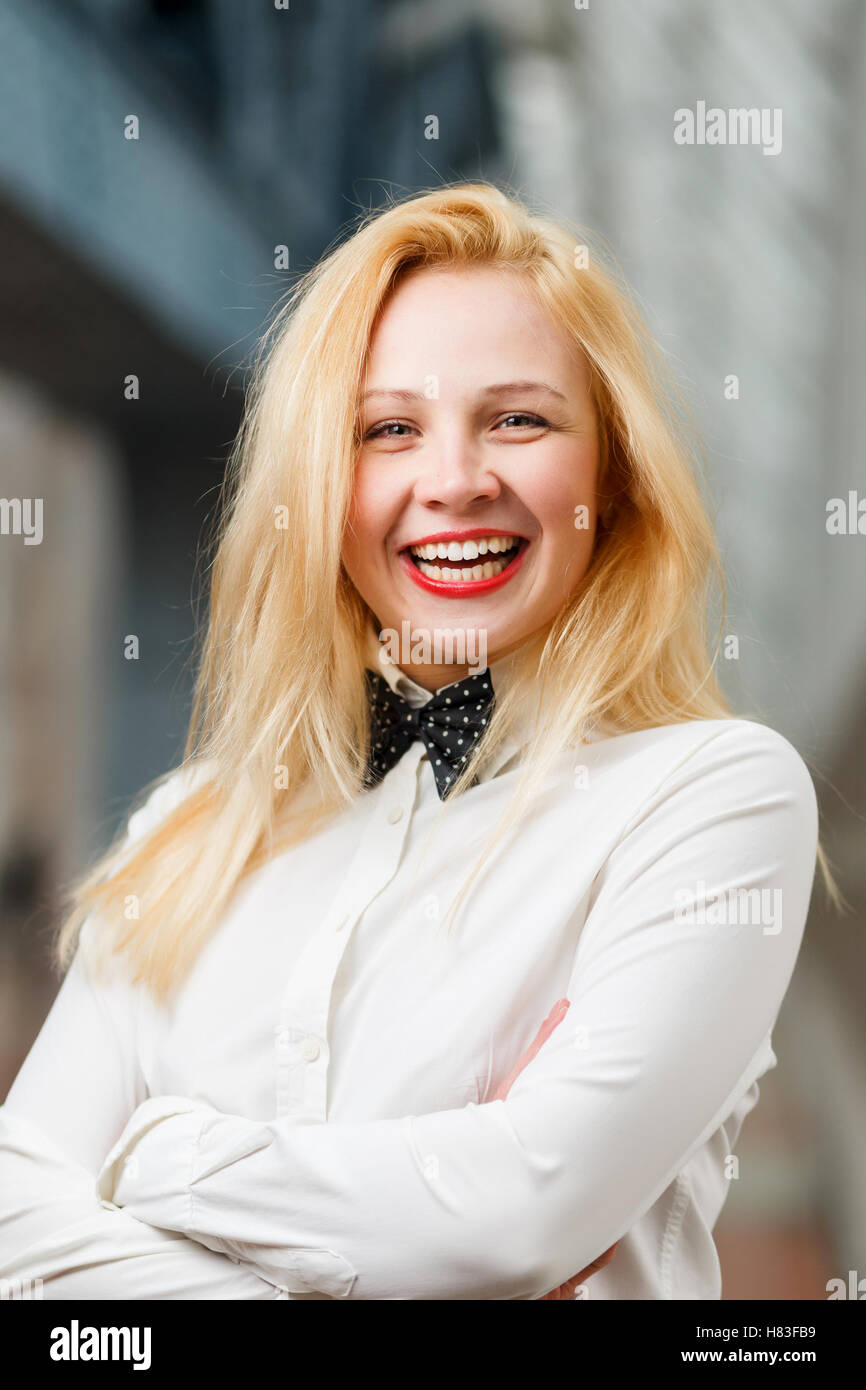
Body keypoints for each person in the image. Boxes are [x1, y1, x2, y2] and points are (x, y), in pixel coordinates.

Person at [0, 183, 824, 1300]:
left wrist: (152, 1157)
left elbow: (519, 1216)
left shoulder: (710, 799)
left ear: (613, 475)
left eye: (518, 419)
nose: (452, 482)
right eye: (387, 429)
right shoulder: (186, 829)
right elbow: (14, 1229)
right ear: (316, 483)